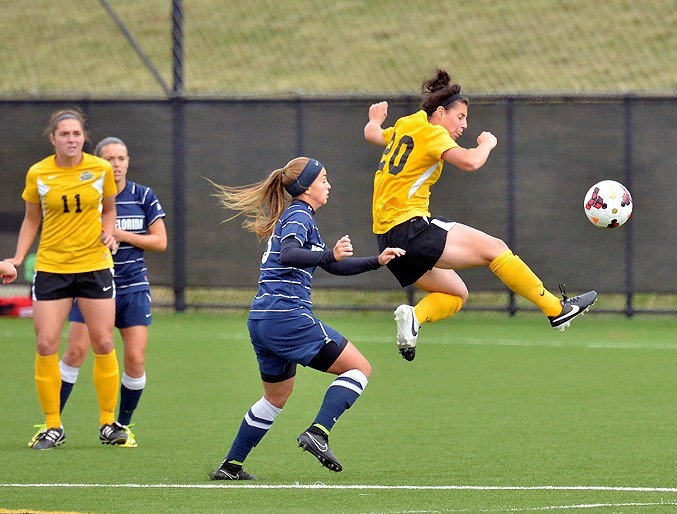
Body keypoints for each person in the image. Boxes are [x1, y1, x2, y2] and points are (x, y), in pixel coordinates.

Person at [364, 68, 597, 362]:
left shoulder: (407, 124)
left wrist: (374, 120)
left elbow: (373, 135)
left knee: (455, 295)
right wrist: (486, 144)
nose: (464, 125)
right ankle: (556, 309)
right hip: (410, 228)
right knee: (496, 249)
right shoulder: (433, 134)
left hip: (386, 239)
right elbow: (471, 162)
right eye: (460, 117)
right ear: (439, 112)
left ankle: (414, 316)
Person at [209, 157, 404, 480]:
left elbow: (331, 265)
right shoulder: (299, 215)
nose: (328, 185)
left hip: (263, 318)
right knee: (360, 368)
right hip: (287, 316)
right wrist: (329, 254)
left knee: (275, 397)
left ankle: (231, 465)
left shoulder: (299, 217)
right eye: (323, 179)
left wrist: (377, 261)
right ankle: (319, 432)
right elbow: (290, 254)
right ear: (307, 187)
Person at [3, 109, 124, 450]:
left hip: (93, 265)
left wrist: (107, 231)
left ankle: (107, 421)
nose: (72, 139)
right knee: (45, 344)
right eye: (64, 134)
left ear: (84, 137)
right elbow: (31, 220)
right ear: (53, 138)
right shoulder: (39, 173)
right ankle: (53, 425)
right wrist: (17, 257)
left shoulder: (99, 169)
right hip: (52, 267)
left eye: (76, 134)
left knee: (102, 342)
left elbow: (109, 208)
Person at [54, 136, 168, 448]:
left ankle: (120, 426)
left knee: (134, 358)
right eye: (110, 158)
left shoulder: (143, 195)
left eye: (121, 158)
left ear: (128, 162)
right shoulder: (85, 196)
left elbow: (160, 241)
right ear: (98, 162)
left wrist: (119, 234)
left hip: (132, 287)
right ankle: (52, 423)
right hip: (91, 285)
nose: (116, 164)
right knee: (75, 352)